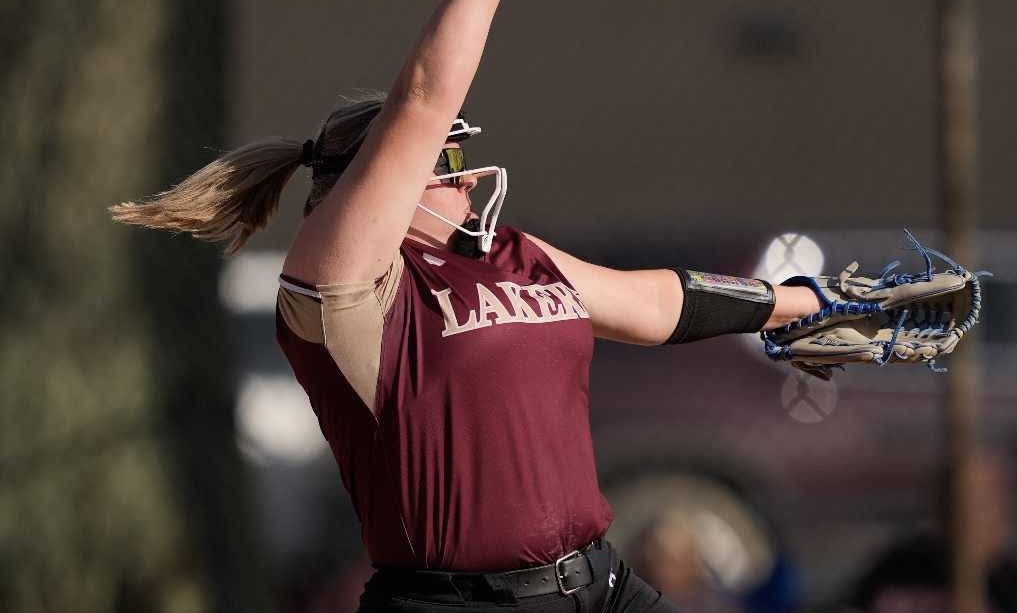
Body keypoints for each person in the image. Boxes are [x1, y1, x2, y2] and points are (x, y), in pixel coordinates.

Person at [110, 2, 824, 611]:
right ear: (378, 183)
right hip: (455, 599)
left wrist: (814, 305)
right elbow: (425, 96)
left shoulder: (510, 252)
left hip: (597, 583)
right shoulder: (343, 286)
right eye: (449, 164)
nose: (470, 184)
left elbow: (652, 300)